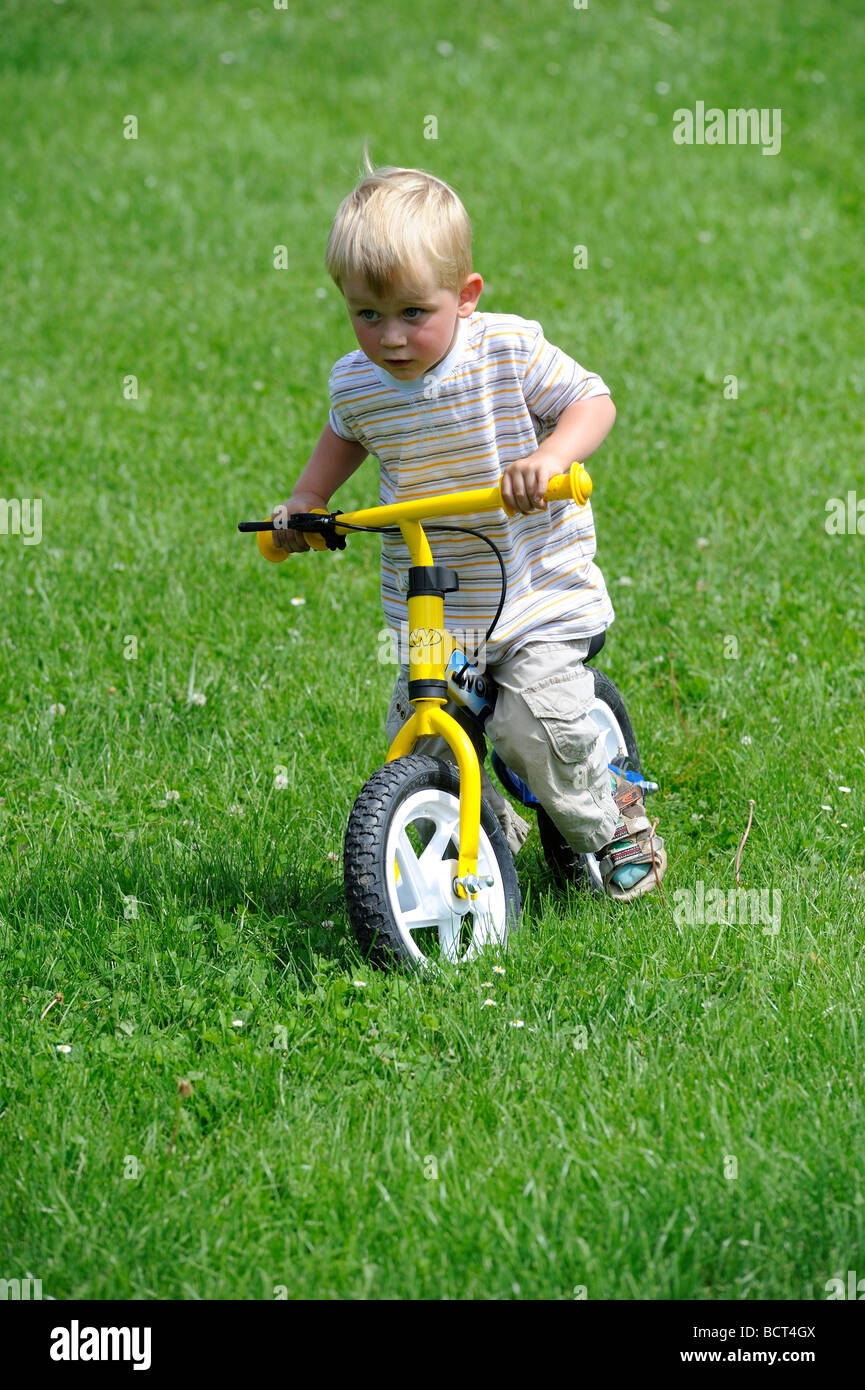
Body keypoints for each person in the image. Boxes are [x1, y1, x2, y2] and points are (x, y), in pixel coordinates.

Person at [274, 156, 667, 900]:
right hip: (432, 604)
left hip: (533, 594)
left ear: (465, 295)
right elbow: (345, 433)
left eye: (413, 313)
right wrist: (305, 502)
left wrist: (549, 455)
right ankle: (482, 836)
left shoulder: (505, 350)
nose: (388, 337)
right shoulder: (357, 381)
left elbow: (593, 399)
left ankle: (607, 817)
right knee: (424, 730)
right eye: (366, 314)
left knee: (531, 728)